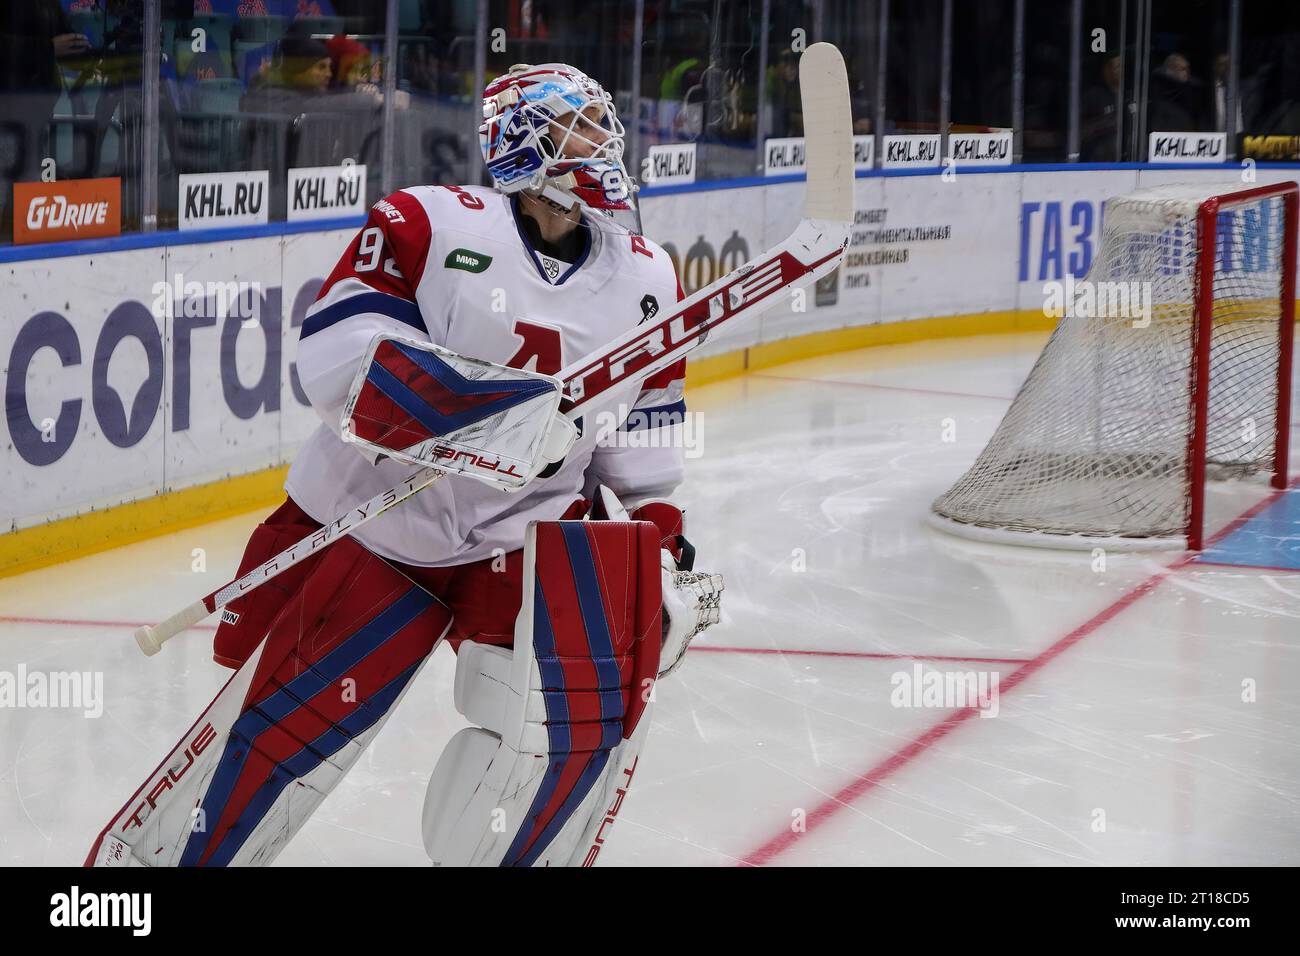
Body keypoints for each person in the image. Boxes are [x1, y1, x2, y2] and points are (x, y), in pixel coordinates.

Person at [89, 62, 714, 868]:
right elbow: (338, 362)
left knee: (572, 724)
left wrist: (660, 542)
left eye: (603, 124)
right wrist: (494, 415)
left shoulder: (648, 276)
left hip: (520, 542)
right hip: (379, 524)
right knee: (274, 741)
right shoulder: (429, 225)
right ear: (524, 142)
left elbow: (646, 432)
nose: (604, 143)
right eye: (581, 126)